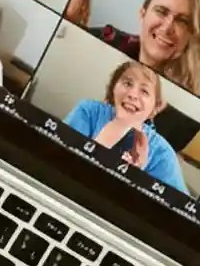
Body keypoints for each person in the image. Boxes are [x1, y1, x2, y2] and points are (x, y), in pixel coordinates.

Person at [63, 60, 189, 193]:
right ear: (113, 88)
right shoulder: (88, 111)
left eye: (144, 91)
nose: (132, 95)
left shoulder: (162, 152)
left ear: (155, 108)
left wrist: (135, 179)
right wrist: (109, 135)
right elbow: (59, 163)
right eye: (128, 83)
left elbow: (178, 209)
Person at [90, 0, 200, 99]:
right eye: (161, 11)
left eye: (182, 21)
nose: (166, 28)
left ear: (195, 36)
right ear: (142, 14)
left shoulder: (194, 102)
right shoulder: (104, 39)